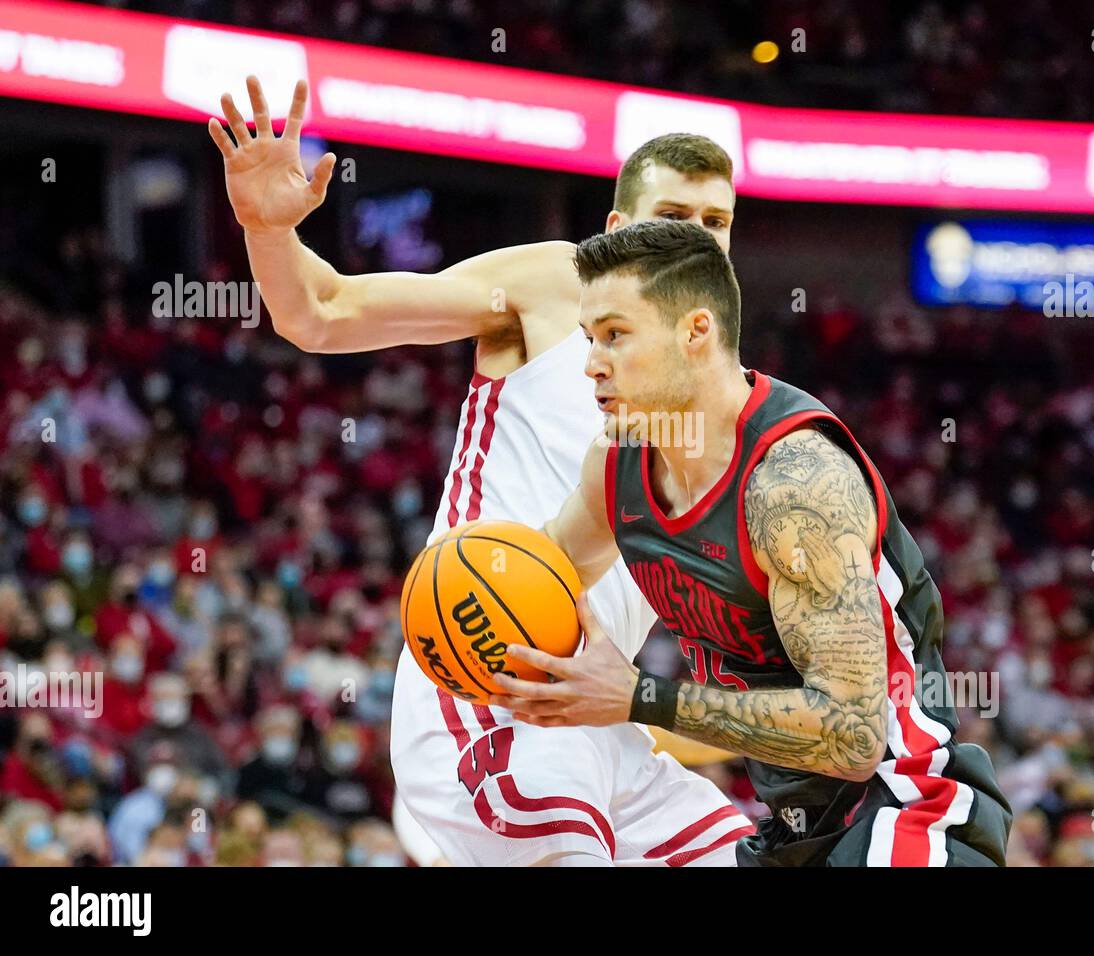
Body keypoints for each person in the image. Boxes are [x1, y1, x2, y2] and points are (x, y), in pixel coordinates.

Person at [210, 76, 751, 866]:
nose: (699, 239)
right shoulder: (554, 284)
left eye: (716, 223)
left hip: (599, 717)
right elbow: (320, 313)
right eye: (674, 218)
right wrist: (267, 230)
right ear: (617, 227)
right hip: (486, 678)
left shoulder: (722, 394)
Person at [492, 220, 1014, 866]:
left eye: (616, 336)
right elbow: (533, 582)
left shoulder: (794, 483)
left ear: (697, 332)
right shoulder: (616, 464)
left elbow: (852, 738)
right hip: (792, 836)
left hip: (906, 811)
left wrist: (636, 697)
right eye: (588, 339)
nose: (592, 363)